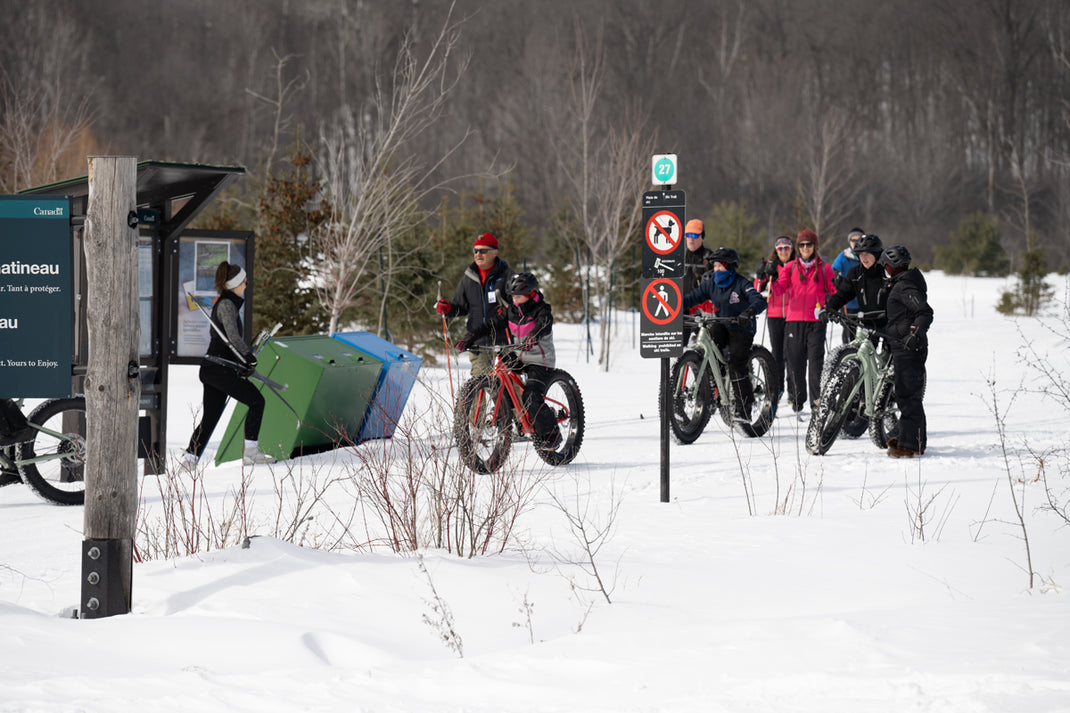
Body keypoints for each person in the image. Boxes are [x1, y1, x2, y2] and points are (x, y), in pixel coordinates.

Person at [455, 272, 560, 449]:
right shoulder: (512, 311)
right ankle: (508, 414)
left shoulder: (542, 309)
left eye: (518, 296)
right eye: (512, 296)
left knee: (531, 396)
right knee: (501, 376)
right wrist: (470, 337)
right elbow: (490, 324)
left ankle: (552, 435)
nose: (514, 300)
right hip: (520, 356)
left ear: (531, 293)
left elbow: (544, 324)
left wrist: (533, 337)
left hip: (540, 360)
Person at [184, 261, 274, 466]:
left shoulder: (228, 303)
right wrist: (247, 357)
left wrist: (240, 363)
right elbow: (232, 337)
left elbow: (229, 341)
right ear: (235, 284)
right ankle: (251, 453)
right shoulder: (226, 305)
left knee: (210, 418)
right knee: (256, 401)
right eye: (244, 281)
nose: (247, 284)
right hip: (218, 369)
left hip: (216, 368)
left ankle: (189, 463)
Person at [682, 247, 767, 419]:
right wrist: (676, 305)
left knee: (736, 364)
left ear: (729, 267)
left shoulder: (741, 283)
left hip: (742, 327)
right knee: (708, 349)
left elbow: (759, 300)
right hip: (722, 324)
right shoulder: (711, 284)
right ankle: (714, 388)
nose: (716, 270)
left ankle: (744, 408)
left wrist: (749, 312)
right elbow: (693, 297)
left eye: (720, 266)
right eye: (714, 266)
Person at [772, 228, 836, 416]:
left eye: (809, 244)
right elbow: (780, 289)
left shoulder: (824, 268)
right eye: (802, 245)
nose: (805, 248)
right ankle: (798, 401)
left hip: (816, 321)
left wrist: (832, 305)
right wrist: (771, 276)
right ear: (798, 247)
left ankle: (817, 403)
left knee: (815, 363)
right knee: (795, 363)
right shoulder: (790, 267)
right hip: (794, 320)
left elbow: (833, 290)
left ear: (814, 246)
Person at [880, 245, 934, 458]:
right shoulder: (901, 283)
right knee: (906, 395)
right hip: (902, 346)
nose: (885, 269)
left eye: (885, 266)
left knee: (908, 397)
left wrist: (914, 334)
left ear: (891, 266)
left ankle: (910, 446)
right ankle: (910, 439)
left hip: (910, 348)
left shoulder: (905, 286)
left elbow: (925, 312)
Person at [436, 232, 515, 376]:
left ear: (495, 252)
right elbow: (460, 307)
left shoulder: (508, 276)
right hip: (478, 342)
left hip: (504, 341)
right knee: (480, 382)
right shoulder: (468, 277)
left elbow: (519, 307)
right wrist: (448, 309)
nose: (478, 254)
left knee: (509, 382)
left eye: (483, 250)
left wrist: (507, 310)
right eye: (476, 250)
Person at [821, 233, 888, 339]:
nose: (864, 258)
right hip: (868, 324)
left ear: (876, 253)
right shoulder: (855, 273)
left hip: (889, 323)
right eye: (861, 254)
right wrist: (830, 307)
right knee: (861, 348)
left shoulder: (886, 272)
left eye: (867, 254)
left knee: (893, 348)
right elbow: (843, 293)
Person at [754, 235, 795, 404]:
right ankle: (777, 389)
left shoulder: (796, 265)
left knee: (791, 353)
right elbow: (758, 289)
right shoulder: (771, 266)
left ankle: (793, 391)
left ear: (792, 249)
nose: (784, 251)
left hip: (793, 314)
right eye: (780, 249)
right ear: (776, 250)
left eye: (787, 248)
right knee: (777, 353)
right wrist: (761, 275)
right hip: (775, 314)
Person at [682, 218, 715, 344]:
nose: (691, 239)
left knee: (704, 346)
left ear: (702, 236)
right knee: (680, 347)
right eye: (688, 235)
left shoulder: (709, 257)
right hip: (683, 309)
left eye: (695, 235)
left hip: (703, 311)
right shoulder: (679, 257)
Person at [831, 227, 865, 343]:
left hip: (865, 301)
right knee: (849, 331)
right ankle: (848, 351)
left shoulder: (867, 255)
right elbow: (833, 271)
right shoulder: (844, 256)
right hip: (849, 303)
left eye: (858, 239)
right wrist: (837, 278)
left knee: (866, 333)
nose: (855, 243)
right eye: (853, 240)